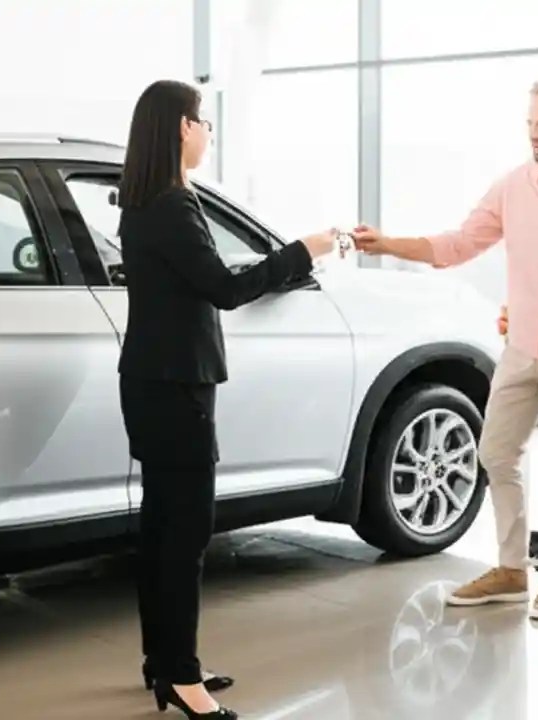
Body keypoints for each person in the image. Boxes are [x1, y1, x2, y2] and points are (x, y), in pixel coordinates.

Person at [351, 79, 538, 620]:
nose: (534, 134)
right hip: (522, 348)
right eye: (530, 124)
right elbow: (457, 244)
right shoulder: (512, 186)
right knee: (495, 452)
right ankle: (511, 568)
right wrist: (385, 243)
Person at [115, 79, 338, 718]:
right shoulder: (170, 205)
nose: (209, 131)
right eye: (203, 120)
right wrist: (303, 251)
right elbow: (224, 289)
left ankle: (165, 663)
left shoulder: (147, 200)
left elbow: (201, 285)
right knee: (184, 534)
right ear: (181, 128)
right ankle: (182, 679)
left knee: (163, 529)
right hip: (175, 387)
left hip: (155, 382)